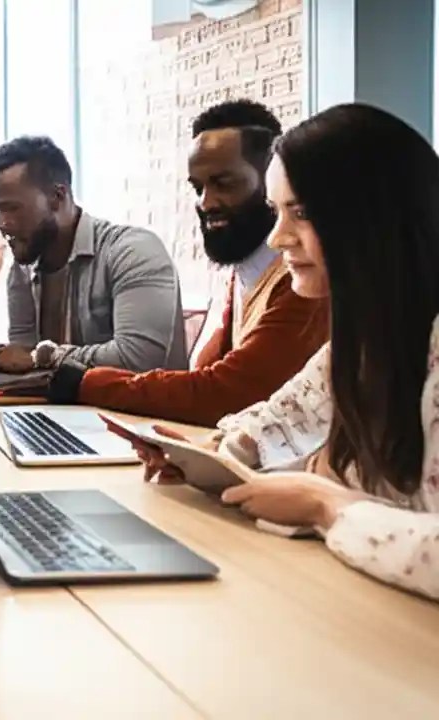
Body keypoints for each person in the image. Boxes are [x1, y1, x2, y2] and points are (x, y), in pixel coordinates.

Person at [135, 104, 439, 601]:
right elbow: (272, 423)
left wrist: (328, 506)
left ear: (373, 217)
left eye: (302, 213)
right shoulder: (363, 340)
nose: (277, 238)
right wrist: (209, 460)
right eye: (278, 212)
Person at [43, 101, 328, 425]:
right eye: (198, 187)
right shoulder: (246, 272)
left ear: (270, 181)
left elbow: (223, 394)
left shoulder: (305, 282)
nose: (206, 202)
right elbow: (209, 379)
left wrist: (85, 382)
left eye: (224, 184)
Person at [0, 136, 187, 375]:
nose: (1, 223)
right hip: (65, 410)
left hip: (137, 411)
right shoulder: (22, 273)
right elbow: (22, 365)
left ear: (58, 197)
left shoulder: (132, 252)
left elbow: (137, 360)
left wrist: (43, 358)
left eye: (12, 208)